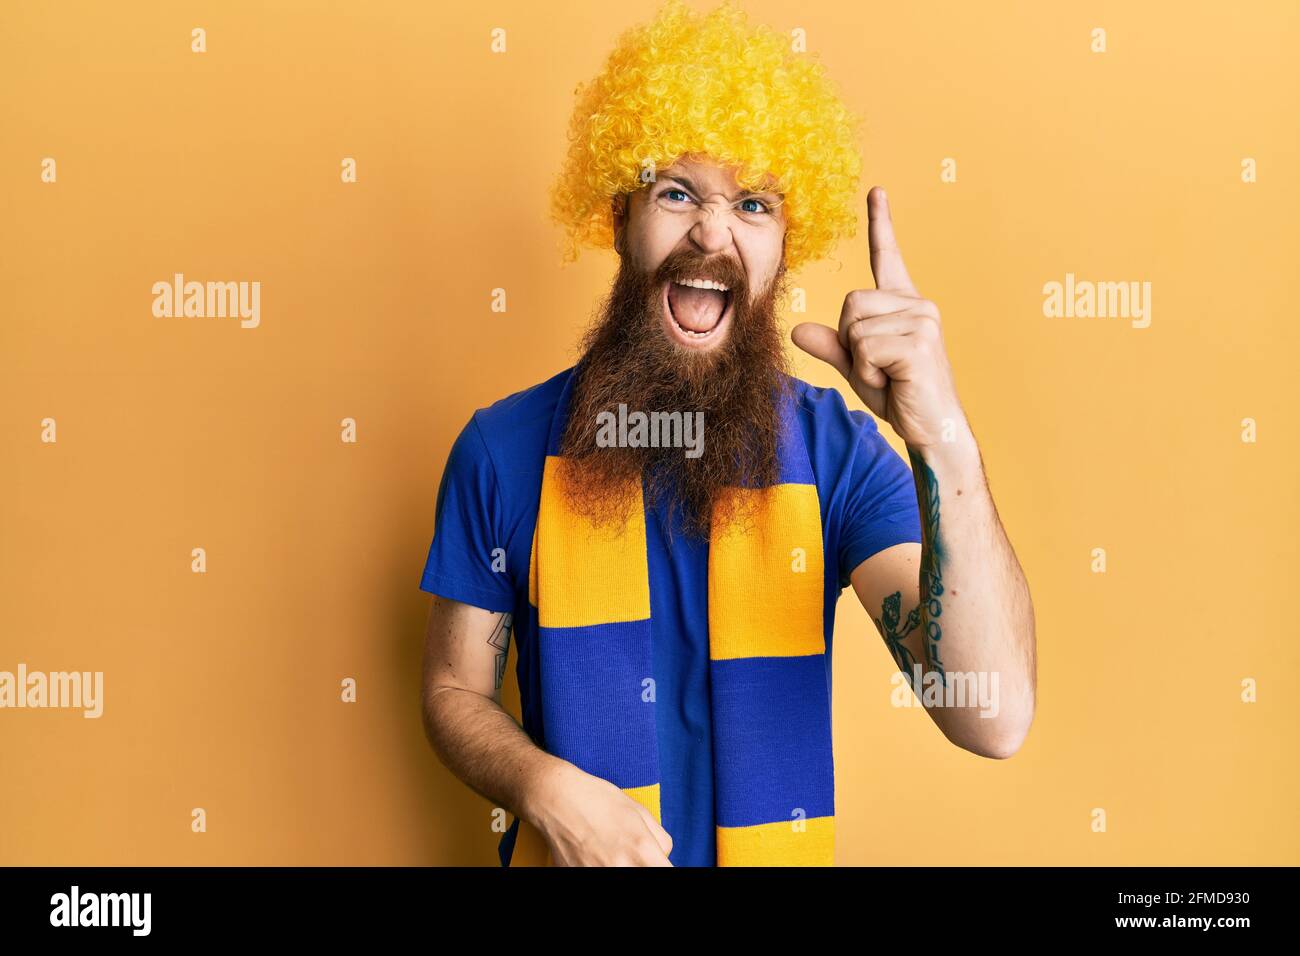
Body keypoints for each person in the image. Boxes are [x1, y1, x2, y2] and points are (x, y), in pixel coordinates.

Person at [418, 0, 1035, 867]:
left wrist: (943, 439)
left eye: (752, 203)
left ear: (787, 242)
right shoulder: (502, 451)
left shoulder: (839, 456)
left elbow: (994, 717)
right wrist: (540, 786)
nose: (712, 233)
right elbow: (453, 688)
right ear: (620, 217)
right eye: (677, 192)